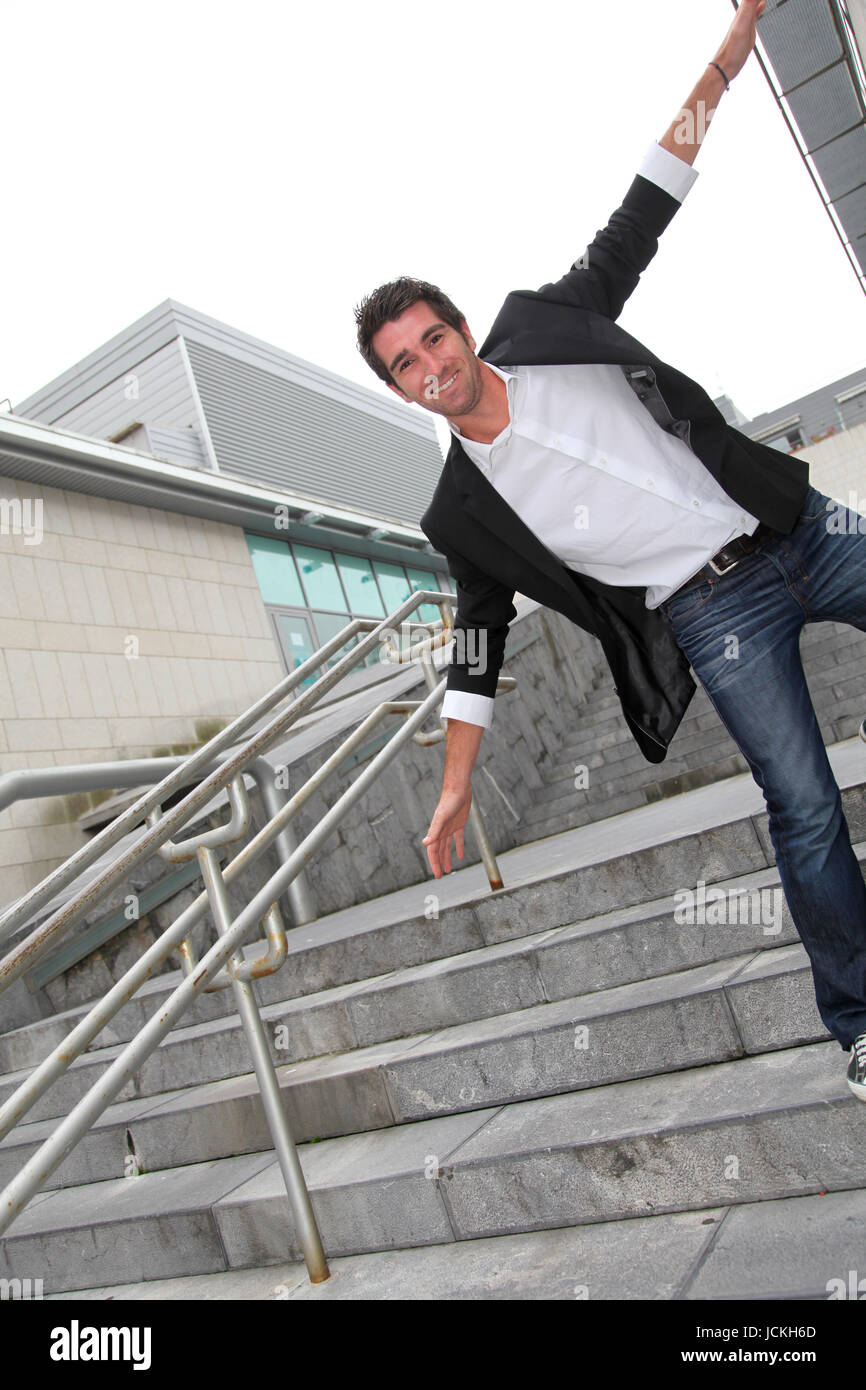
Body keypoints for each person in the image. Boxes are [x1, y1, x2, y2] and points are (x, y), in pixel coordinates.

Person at [353, 0, 866, 1100]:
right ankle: (858, 1023)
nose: (429, 363)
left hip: (793, 528)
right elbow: (476, 644)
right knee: (804, 806)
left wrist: (730, 52)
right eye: (404, 364)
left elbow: (645, 205)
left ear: (459, 328)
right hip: (714, 616)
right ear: (397, 389)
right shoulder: (459, 512)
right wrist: (454, 784)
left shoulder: (546, 322)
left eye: (433, 337)